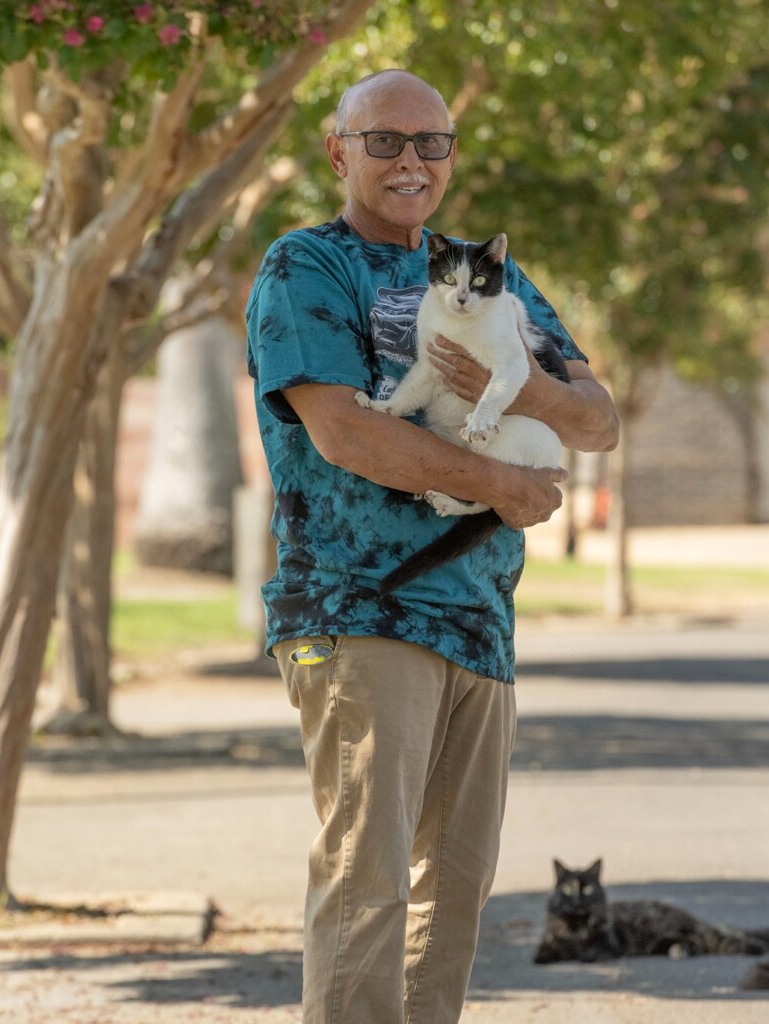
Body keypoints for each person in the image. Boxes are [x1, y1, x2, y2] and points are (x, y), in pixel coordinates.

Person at [245, 69, 619, 1024]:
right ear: (338, 152)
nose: (410, 160)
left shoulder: (496, 278)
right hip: (358, 609)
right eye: (384, 140)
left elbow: (596, 419)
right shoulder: (306, 266)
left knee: (452, 896)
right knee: (367, 885)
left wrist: (521, 389)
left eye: (430, 142)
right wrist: (501, 484)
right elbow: (345, 432)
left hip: (479, 618)